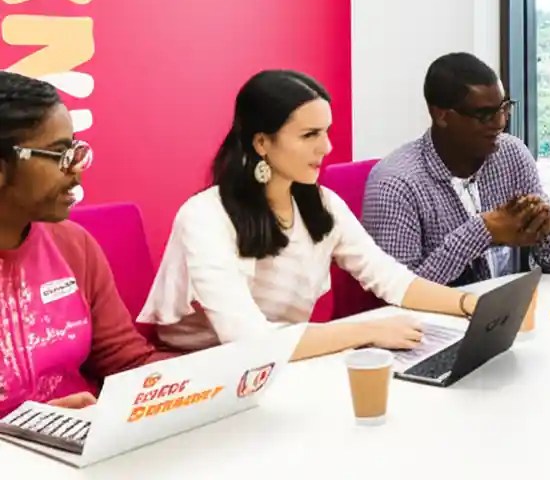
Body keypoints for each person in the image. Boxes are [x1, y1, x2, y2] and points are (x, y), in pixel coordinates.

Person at [137, 70, 479, 360]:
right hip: (203, 373)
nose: (326, 147)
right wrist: (367, 332)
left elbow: (391, 279)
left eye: (326, 131)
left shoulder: (322, 203)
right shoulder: (204, 217)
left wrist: (472, 305)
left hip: (284, 363)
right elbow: (248, 341)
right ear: (261, 143)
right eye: (310, 135)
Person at [0, 72, 169, 416]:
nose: (77, 170)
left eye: (76, 151)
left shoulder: (73, 245)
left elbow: (125, 360)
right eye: (61, 155)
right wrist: (22, 433)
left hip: (83, 452)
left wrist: (209, 383)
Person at [363, 53, 550, 287]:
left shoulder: (511, 155)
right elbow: (398, 293)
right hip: (438, 320)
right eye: (485, 114)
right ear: (442, 115)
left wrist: (548, 227)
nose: (500, 122)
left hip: (511, 312)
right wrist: (483, 231)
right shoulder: (396, 184)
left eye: (504, 108)